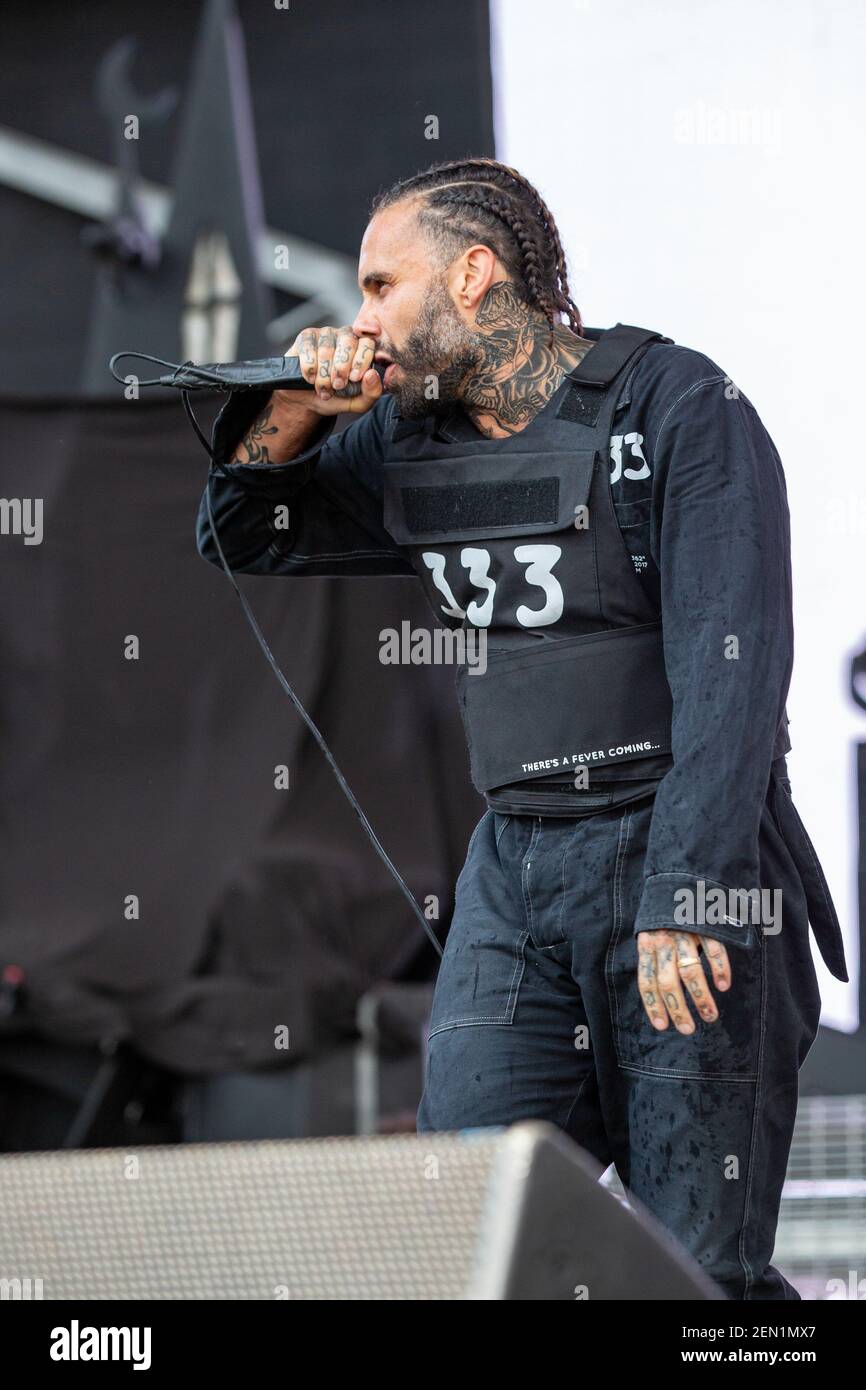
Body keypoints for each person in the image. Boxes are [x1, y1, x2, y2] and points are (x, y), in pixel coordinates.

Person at [196, 157, 847, 1299]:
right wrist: (297, 406)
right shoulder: (401, 438)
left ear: (474, 275)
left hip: (679, 856)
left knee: (695, 1275)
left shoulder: (675, 406)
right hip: (517, 866)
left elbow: (731, 670)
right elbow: (241, 534)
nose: (362, 319)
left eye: (381, 286)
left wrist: (687, 885)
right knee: (465, 1223)